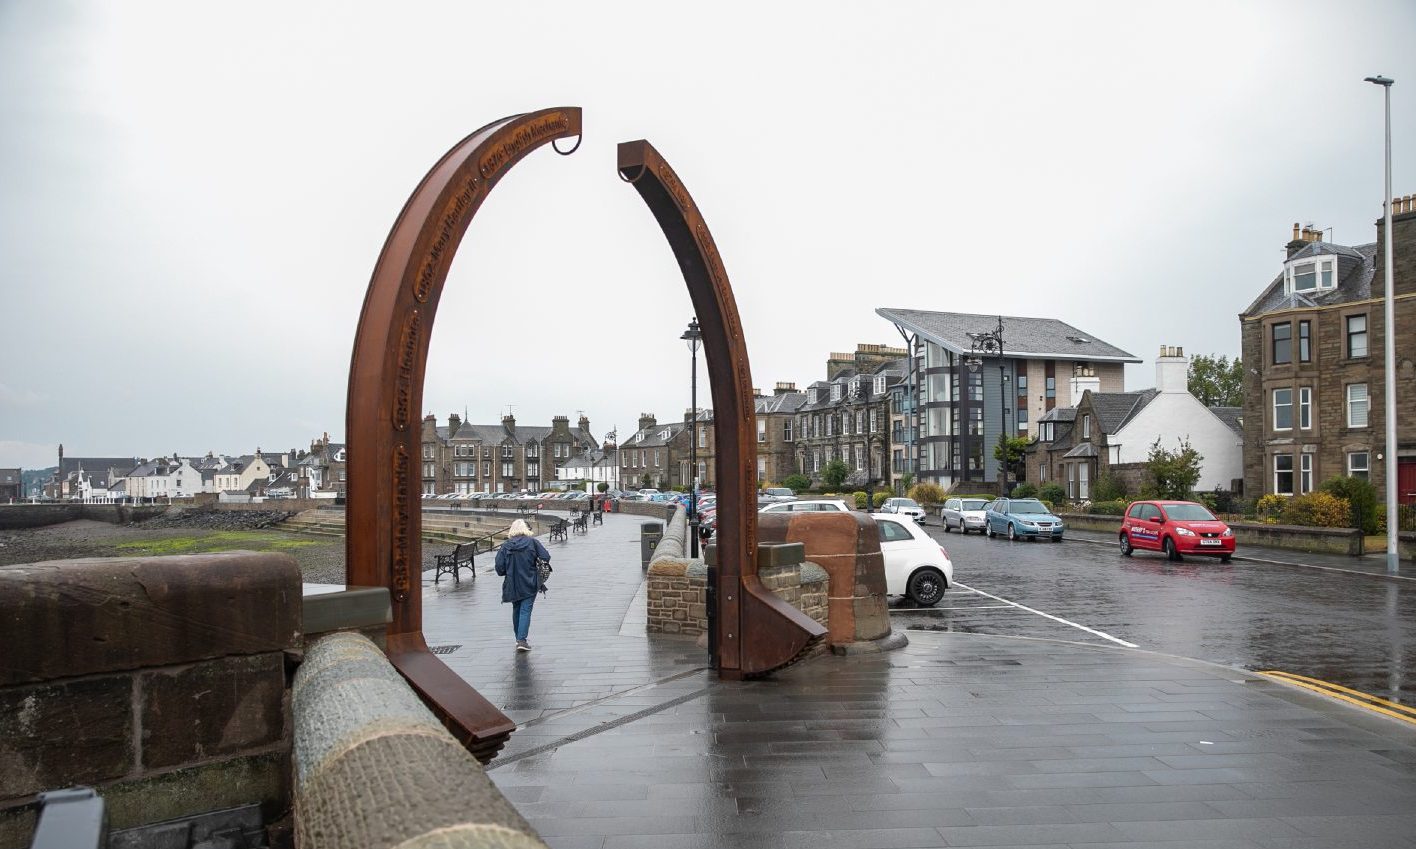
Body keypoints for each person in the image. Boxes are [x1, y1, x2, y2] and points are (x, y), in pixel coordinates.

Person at [495, 519, 549, 651]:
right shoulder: (532, 542)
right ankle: (521, 640)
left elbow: (499, 567)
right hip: (529, 581)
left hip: (512, 583)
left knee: (516, 609)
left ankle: (518, 638)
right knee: (525, 610)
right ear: (525, 529)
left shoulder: (506, 545)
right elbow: (546, 556)